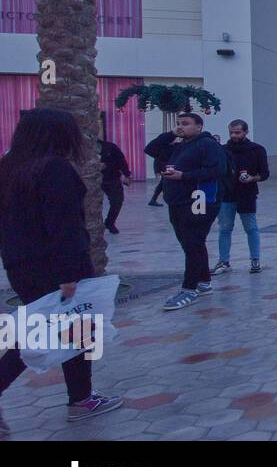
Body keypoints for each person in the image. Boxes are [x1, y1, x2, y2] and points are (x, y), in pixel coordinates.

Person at [0, 109, 124, 423]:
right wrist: (70, 275)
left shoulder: (9, 166)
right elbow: (65, 227)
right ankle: (81, 399)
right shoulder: (55, 169)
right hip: (57, 267)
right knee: (71, 329)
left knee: (53, 327)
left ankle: (81, 397)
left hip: (22, 265)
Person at [147, 112, 224, 311]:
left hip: (199, 200)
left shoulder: (207, 145)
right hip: (176, 201)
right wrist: (172, 133)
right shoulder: (178, 146)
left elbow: (215, 172)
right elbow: (152, 149)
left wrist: (183, 176)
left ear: (199, 126)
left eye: (186, 124)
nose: (181, 127)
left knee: (193, 242)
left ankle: (189, 289)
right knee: (191, 242)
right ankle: (204, 282)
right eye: (179, 124)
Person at [212, 120, 269, 275]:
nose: (234, 135)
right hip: (226, 195)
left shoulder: (256, 150)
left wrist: (252, 178)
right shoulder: (223, 150)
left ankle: (255, 259)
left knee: (251, 227)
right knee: (224, 228)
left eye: (237, 132)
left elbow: (264, 174)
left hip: (247, 194)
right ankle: (224, 261)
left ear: (245, 132)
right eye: (231, 132)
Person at [97, 136, 131, 234]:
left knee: (117, 201)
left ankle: (110, 222)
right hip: (92, 180)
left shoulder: (109, 147)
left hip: (111, 179)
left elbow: (121, 160)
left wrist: (127, 175)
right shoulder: (82, 148)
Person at [145, 127, 179, 207]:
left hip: (171, 169)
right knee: (164, 185)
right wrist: (156, 171)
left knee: (162, 185)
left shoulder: (176, 146)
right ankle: (154, 199)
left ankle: (153, 199)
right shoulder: (163, 148)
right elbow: (157, 160)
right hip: (167, 169)